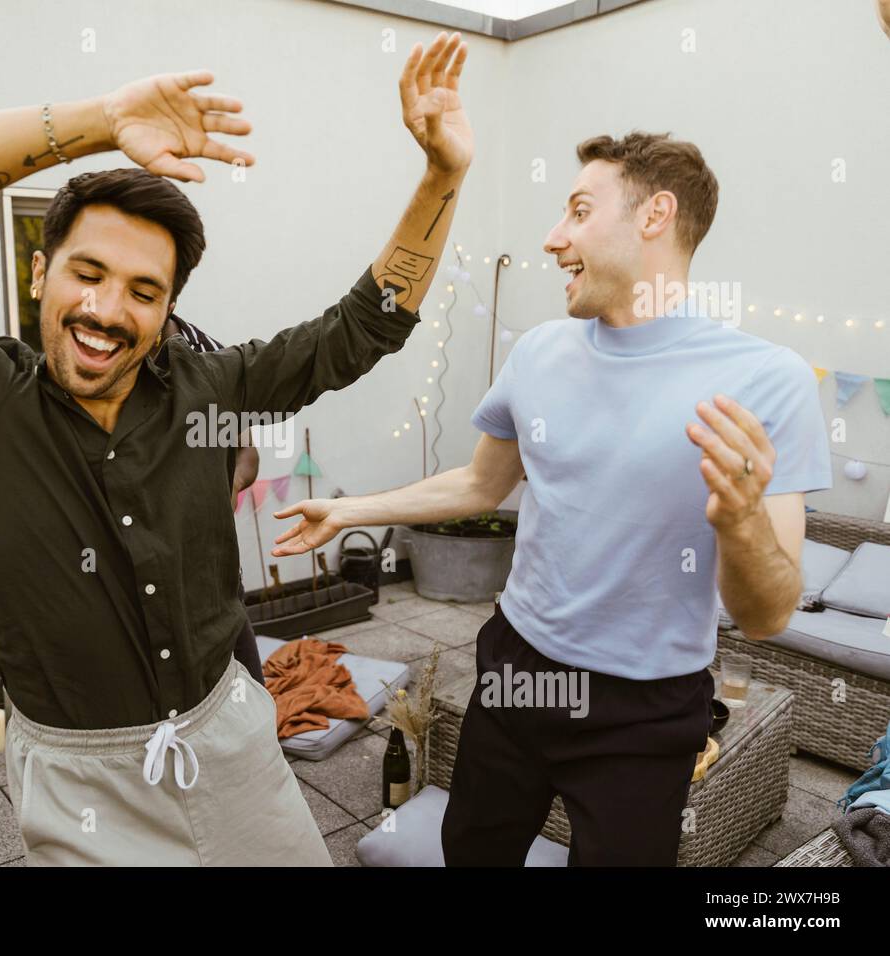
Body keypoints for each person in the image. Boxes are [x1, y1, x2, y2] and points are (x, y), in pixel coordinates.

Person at [0, 33, 474, 865]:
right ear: (41, 274)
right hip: (82, 785)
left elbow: (361, 328)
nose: (108, 309)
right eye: (87, 273)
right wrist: (101, 121)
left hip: (233, 738)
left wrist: (442, 176)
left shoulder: (206, 386)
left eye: (144, 291)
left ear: (169, 309)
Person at [273, 132, 831, 866]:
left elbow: (768, 615)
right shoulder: (539, 351)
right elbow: (480, 485)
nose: (551, 239)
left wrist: (742, 522)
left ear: (655, 215)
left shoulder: (768, 380)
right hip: (517, 670)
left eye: (577, 212)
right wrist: (350, 510)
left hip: (646, 707)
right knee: (473, 849)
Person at [151, 313, 263, 683]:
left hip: (211, 566)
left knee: (246, 682)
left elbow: (248, 453)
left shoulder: (209, 356)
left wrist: (229, 483)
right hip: (135, 572)